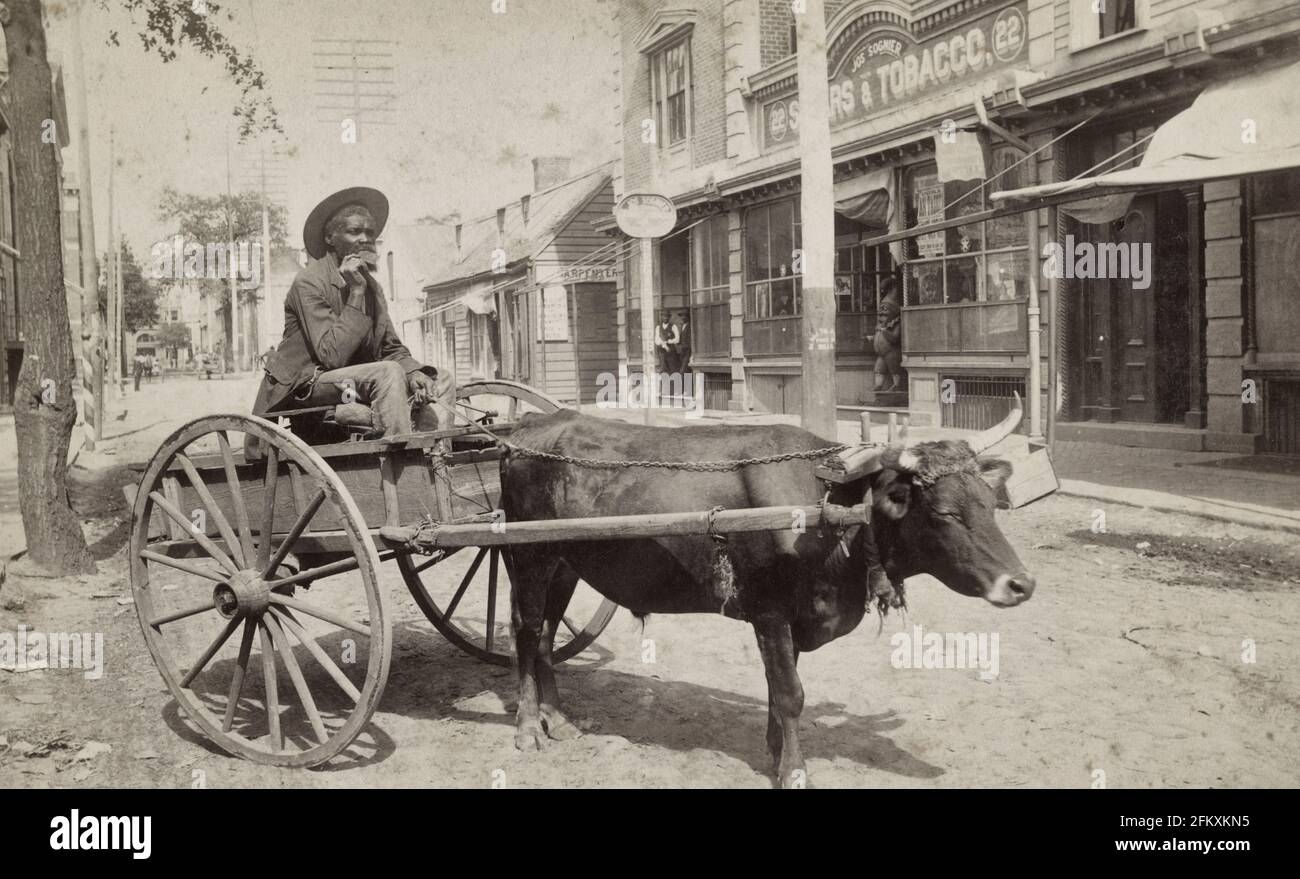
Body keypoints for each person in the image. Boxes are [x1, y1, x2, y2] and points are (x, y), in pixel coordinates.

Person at [250, 186, 452, 437]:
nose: (365, 239)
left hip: (353, 384)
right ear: (330, 238)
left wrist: (414, 372)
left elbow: (391, 348)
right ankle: (403, 465)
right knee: (387, 372)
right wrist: (356, 293)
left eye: (370, 232)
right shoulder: (309, 282)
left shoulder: (372, 287)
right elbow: (331, 356)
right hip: (308, 385)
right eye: (354, 231)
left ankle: (437, 460)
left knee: (440, 379)